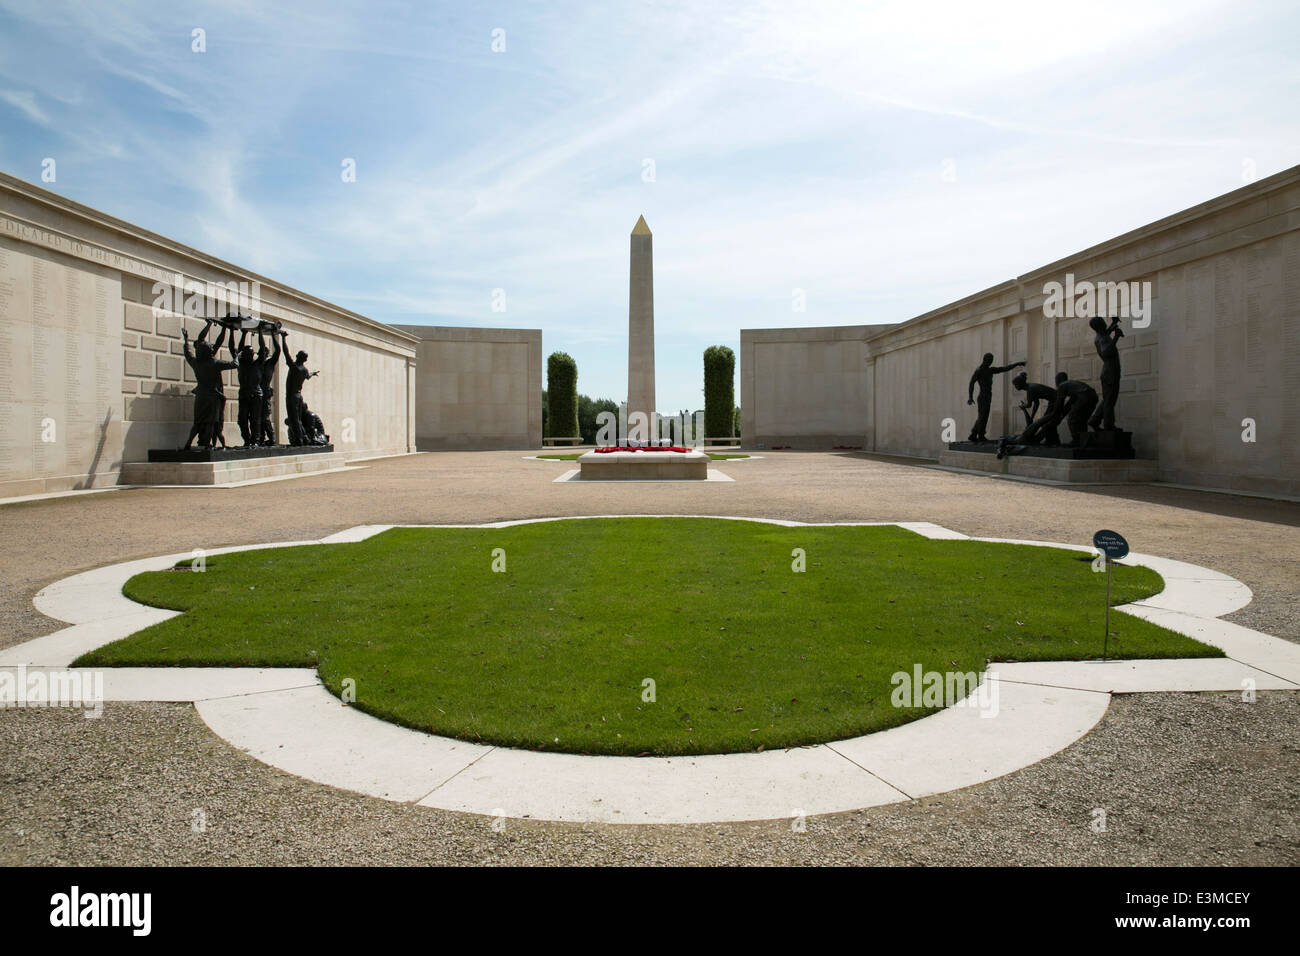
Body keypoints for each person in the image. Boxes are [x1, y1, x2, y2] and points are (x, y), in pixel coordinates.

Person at [181, 319, 238, 450]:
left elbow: (187, 353)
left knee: (198, 422)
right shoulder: (214, 363)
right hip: (212, 397)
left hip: (200, 396)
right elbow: (233, 365)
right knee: (212, 422)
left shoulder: (196, 363)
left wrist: (186, 340)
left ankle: (188, 443)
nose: (212, 347)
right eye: (210, 347)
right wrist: (237, 356)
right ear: (208, 352)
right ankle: (207, 444)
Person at [966, 353, 1025, 442]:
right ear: (985, 359)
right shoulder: (979, 371)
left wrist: (1017, 364)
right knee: (983, 417)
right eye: (990, 360)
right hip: (982, 397)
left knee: (983, 416)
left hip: (988, 396)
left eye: (991, 360)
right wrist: (970, 397)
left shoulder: (990, 370)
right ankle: (980, 435)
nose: (991, 362)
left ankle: (973, 434)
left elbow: (1004, 369)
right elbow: (971, 383)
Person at [280, 329, 319, 446]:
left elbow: (286, 353)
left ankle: (300, 440)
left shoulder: (295, 367)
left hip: (292, 396)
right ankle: (305, 438)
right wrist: (313, 373)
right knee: (297, 419)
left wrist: (283, 339)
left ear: (298, 357)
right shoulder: (304, 370)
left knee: (294, 419)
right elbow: (308, 376)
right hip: (299, 396)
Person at [1087, 315, 1123, 431]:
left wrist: (1114, 324)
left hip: (1110, 371)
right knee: (1109, 401)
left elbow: (1106, 333)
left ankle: (1095, 420)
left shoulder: (1101, 335)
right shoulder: (1101, 338)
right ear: (1099, 326)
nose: (1105, 323)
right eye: (1103, 322)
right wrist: (1116, 337)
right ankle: (1109, 425)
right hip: (1110, 371)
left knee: (1108, 399)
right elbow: (1106, 351)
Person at [229, 326, 261, 447]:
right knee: (242, 420)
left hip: (256, 395)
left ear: (253, 354)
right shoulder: (241, 363)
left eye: (251, 353)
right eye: (246, 353)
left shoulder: (258, 363)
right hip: (244, 394)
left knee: (254, 420)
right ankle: (247, 440)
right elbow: (233, 349)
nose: (249, 355)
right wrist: (237, 332)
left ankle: (255, 441)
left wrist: (259, 332)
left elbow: (262, 349)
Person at [1054, 371, 1099, 447]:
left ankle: (1076, 440)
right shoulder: (1072, 385)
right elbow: (1070, 404)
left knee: (1072, 418)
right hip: (1093, 396)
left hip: (1085, 396)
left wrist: (1056, 415)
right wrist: (1062, 415)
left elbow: (1059, 404)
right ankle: (1083, 440)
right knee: (1082, 420)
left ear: (1058, 380)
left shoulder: (1062, 385)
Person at [254, 324, 282, 444]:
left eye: (265, 352)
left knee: (265, 417)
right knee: (256, 418)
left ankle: (272, 438)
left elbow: (278, 350)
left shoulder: (270, 364)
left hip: (265, 393)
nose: (263, 354)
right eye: (261, 352)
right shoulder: (257, 364)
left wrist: (272, 334)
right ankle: (260, 438)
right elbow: (262, 345)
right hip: (256, 393)